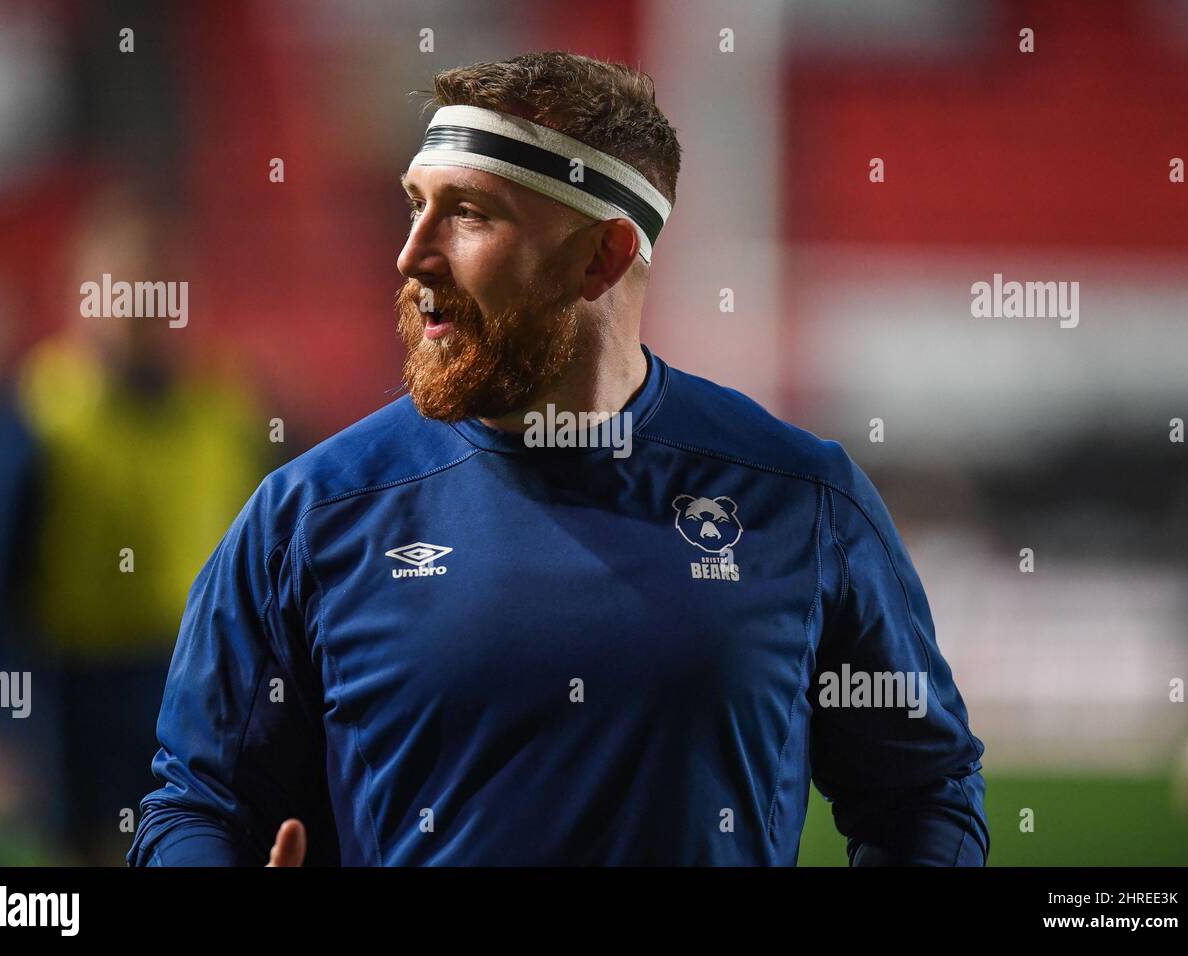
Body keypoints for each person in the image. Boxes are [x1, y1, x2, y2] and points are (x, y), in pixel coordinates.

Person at [128, 51, 989, 867]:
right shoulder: (310, 517)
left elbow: (924, 796)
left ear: (601, 257)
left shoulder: (801, 502)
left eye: (467, 214)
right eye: (414, 204)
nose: (412, 254)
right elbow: (198, 805)